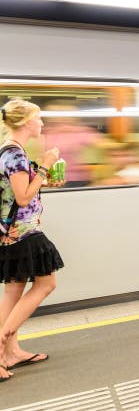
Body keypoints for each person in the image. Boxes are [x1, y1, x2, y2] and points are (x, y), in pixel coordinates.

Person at [0, 99, 65, 382]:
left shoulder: (13, 151)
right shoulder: (14, 154)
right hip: (23, 233)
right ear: (27, 122)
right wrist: (45, 166)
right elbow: (23, 197)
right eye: (39, 119)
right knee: (47, 283)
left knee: (13, 295)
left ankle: (11, 352)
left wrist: (46, 181)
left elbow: (21, 190)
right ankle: (2, 343)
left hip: (12, 232)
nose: (42, 124)